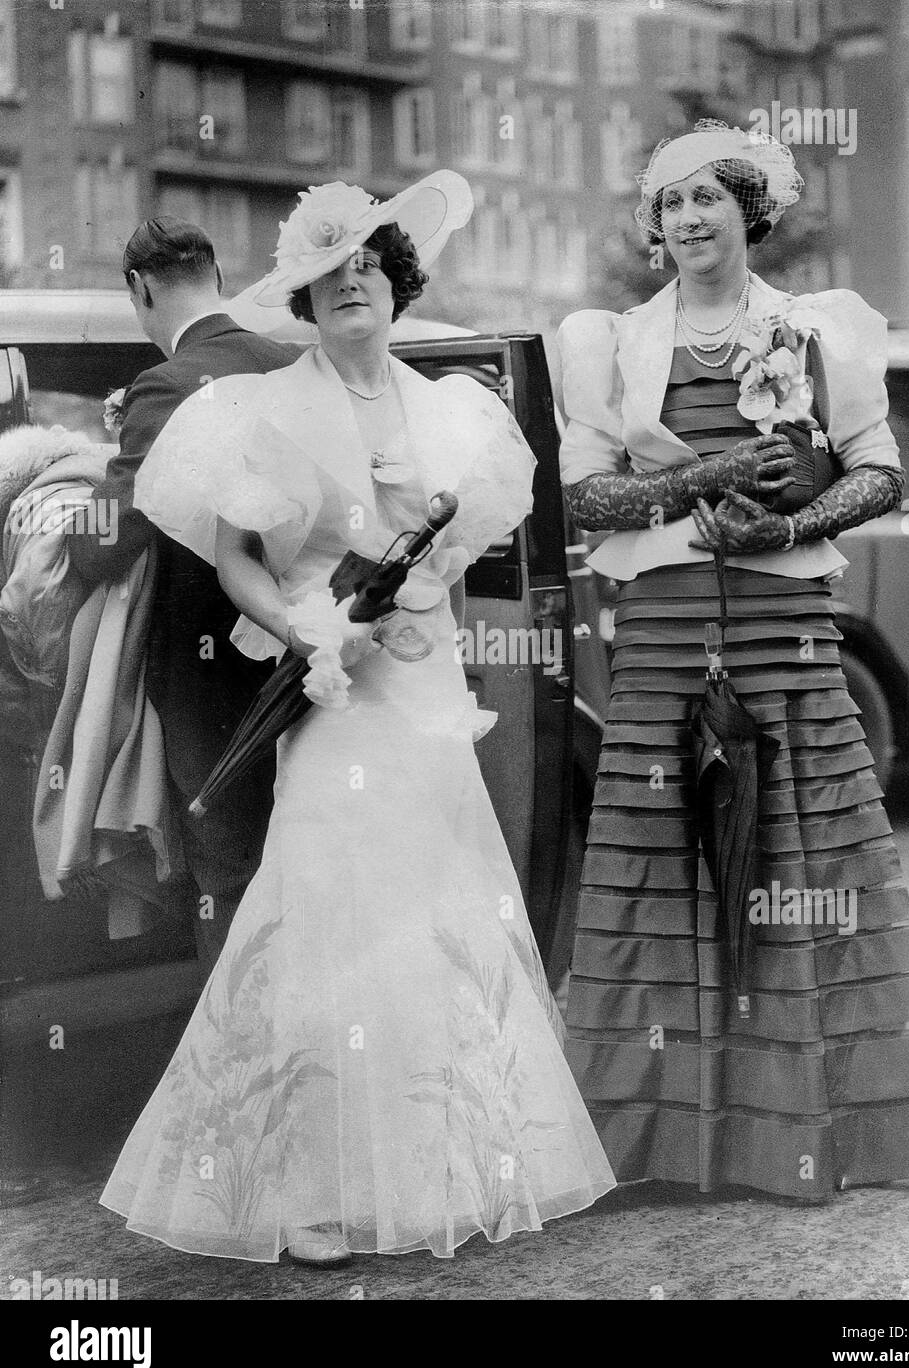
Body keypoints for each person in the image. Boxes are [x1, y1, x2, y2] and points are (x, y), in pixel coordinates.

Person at [99, 170, 616, 1264]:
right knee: (329, 903)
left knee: (440, 899)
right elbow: (235, 557)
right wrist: (303, 629)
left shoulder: (453, 414)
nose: (355, 285)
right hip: (334, 692)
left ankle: (448, 1166)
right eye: (331, 275)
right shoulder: (263, 408)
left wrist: (427, 630)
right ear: (305, 298)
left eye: (373, 268)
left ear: (400, 285)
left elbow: (457, 563)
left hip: (426, 692)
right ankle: (315, 1190)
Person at [557, 121, 909, 1201]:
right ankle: (661, 1143)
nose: (691, 221)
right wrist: (704, 479)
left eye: (711, 201)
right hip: (659, 632)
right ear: (657, 226)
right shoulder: (611, 340)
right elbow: (586, 495)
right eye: (673, 205)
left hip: (782, 631)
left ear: (750, 213)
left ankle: (808, 1130)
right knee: (660, 873)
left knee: (801, 863)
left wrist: (785, 528)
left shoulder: (816, 329)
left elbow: (876, 473)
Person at [69, 219, 299, 976]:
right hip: (300, 667)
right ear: (217, 275)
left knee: (228, 878)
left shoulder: (165, 386)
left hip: (209, 685)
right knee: (296, 865)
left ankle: (240, 1063)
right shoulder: (289, 363)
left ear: (140, 289)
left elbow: (101, 543)